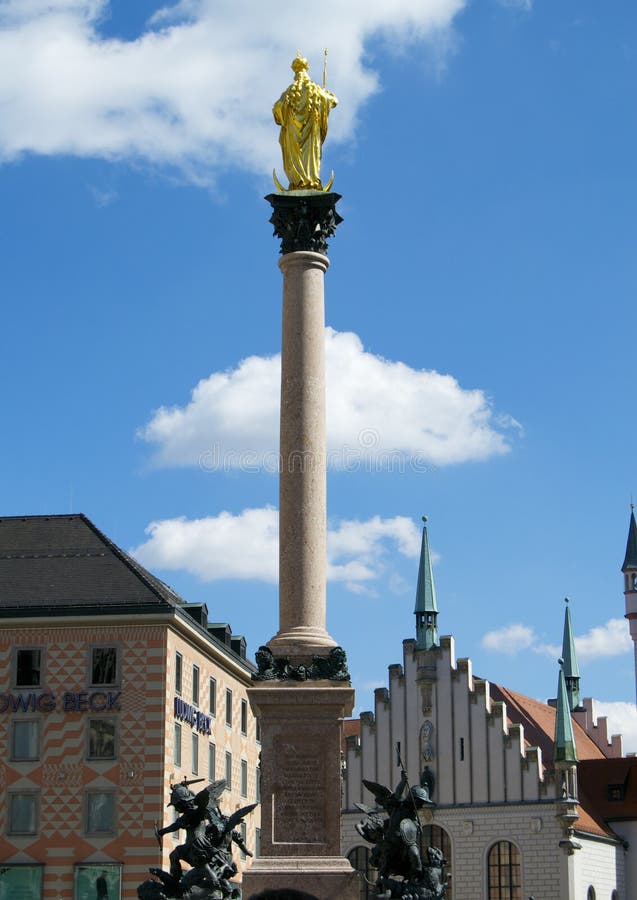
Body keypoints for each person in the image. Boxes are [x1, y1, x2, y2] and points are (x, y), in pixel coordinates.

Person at [273, 53, 338, 191]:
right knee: (310, 154)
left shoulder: (289, 93)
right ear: (306, 70)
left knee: (295, 153)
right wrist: (327, 98)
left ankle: (297, 182)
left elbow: (277, 112)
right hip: (311, 132)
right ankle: (311, 179)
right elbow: (333, 101)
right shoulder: (315, 90)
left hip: (293, 134)